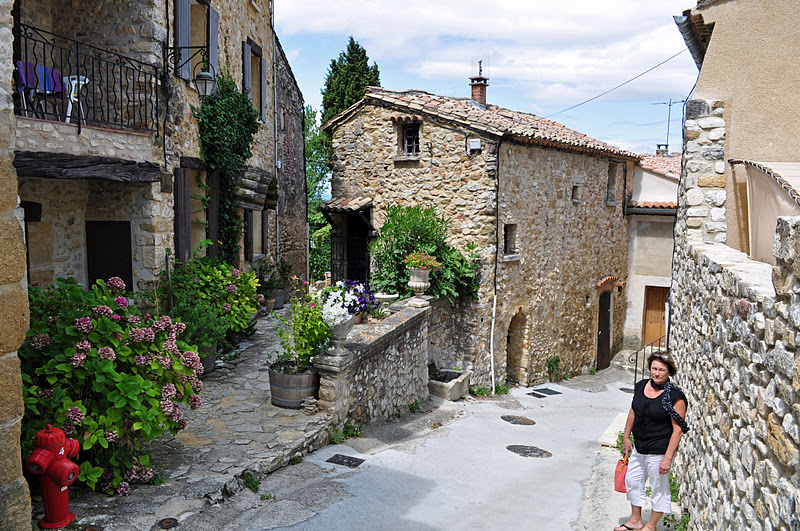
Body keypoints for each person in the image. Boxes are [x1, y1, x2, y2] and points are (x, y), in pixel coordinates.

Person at [615, 351, 689, 531]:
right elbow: (633, 411)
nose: (656, 373)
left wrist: (668, 458)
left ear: (669, 372)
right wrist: (626, 437)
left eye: (661, 370)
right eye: (654, 368)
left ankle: (651, 525)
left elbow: (678, 430)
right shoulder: (641, 386)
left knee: (658, 489)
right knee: (633, 481)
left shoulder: (675, 397)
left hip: (659, 451)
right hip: (639, 447)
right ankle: (635, 521)